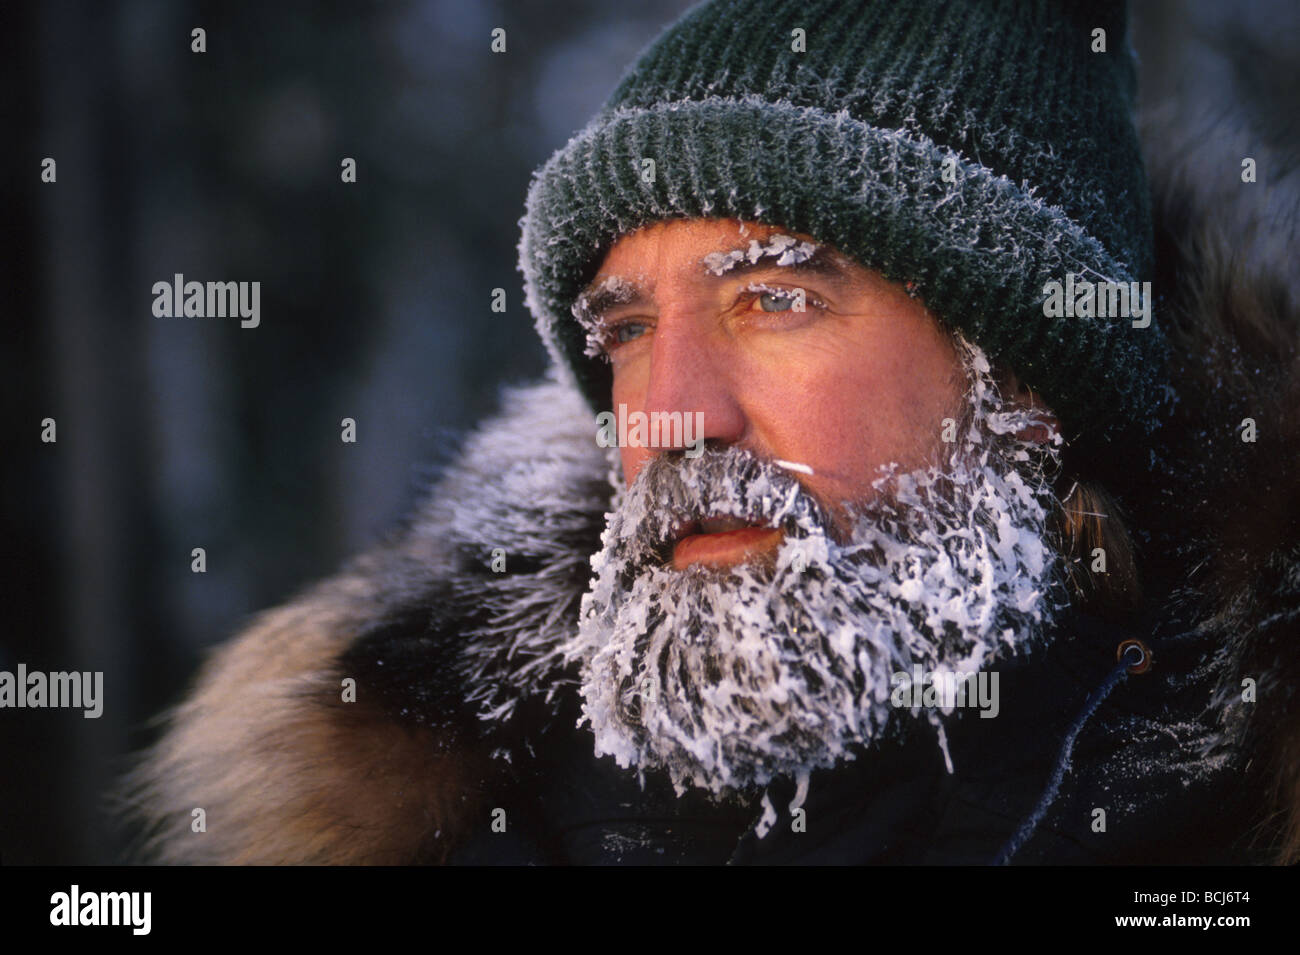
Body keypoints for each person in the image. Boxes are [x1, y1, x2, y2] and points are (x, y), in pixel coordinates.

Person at [119, 0, 1300, 864]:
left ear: (1027, 382)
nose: (675, 413)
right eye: (625, 329)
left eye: (773, 300)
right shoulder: (426, 813)